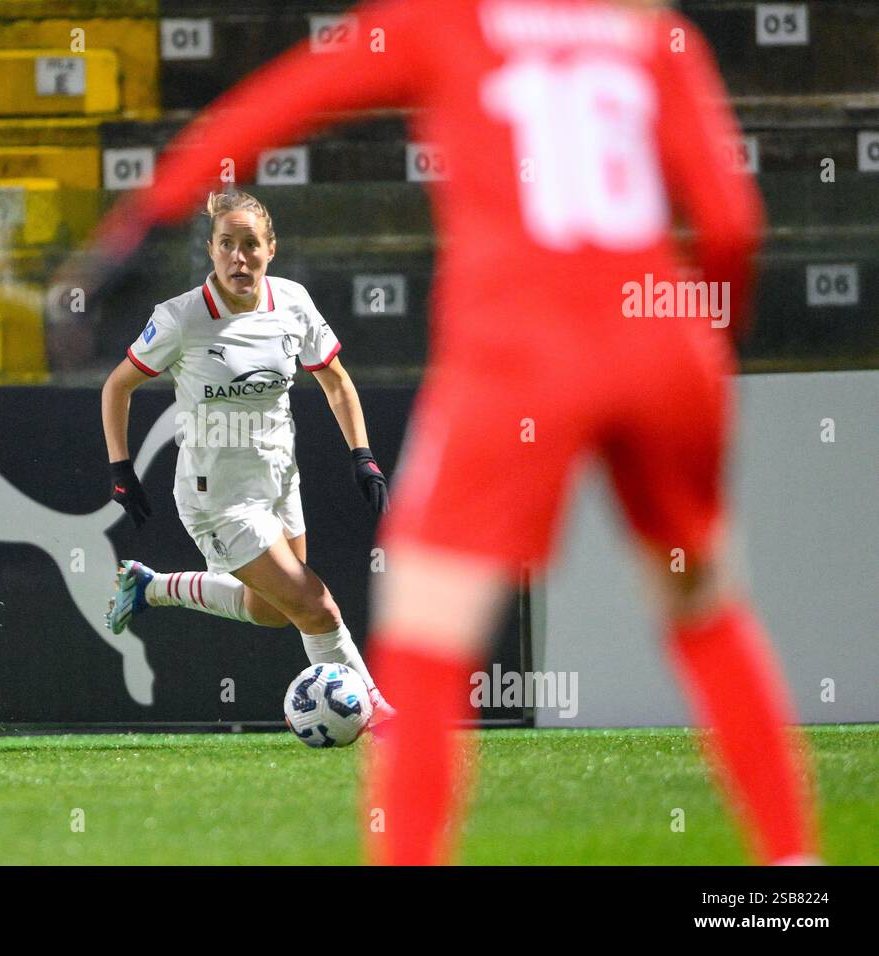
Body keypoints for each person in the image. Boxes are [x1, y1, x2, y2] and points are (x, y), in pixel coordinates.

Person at [68, 0, 820, 865]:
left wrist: (142, 220)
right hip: (665, 346)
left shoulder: (447, 23)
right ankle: (794, 878)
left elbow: (278, 104)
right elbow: (732, 225)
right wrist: (699, 348)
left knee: (425, 638)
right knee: (709, 610)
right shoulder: (649, 30)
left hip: (516, 354)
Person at [99, 189, 396, 724]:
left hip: (280, 483)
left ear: (271, 248)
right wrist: (122, 469)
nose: (240, 258)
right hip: (218, 501)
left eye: (251, 244)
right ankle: (375, 715)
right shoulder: (180, 319)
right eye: (227, 245)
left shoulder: (293, 303)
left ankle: (152, 586)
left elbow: (335, 382)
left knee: (272, 612)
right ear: (212, 251)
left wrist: (363, 455)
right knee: (316, 606)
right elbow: (117, 388)